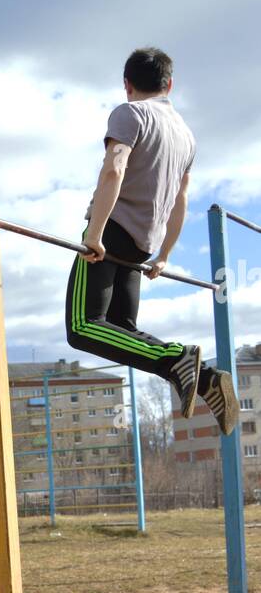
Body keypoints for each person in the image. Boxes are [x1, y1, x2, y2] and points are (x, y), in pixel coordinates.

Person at [65, 48, 237, 435]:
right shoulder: (186, 137)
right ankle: (207, 378)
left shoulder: (130, 114)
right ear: (169, 84)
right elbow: (181, 199)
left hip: (110, 234)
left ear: (127, 85)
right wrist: (164, 254)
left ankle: (178, 355)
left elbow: (115, 167)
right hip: (142, 245)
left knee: (82, 326)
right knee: (122, 330)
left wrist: (94, 233)